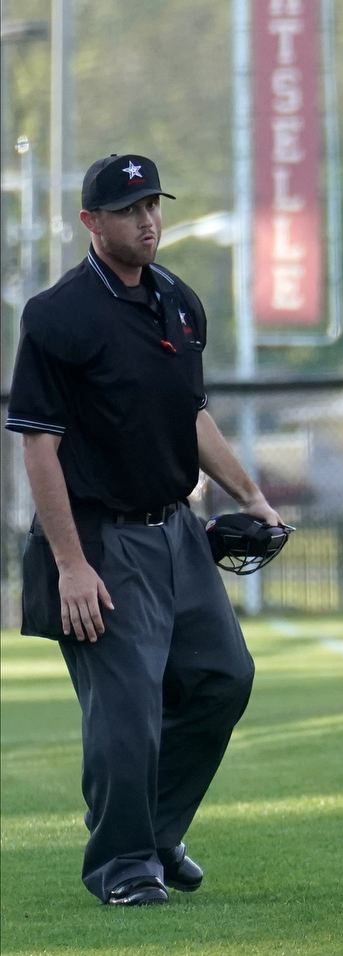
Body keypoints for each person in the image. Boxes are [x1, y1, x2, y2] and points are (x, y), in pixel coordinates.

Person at [6, 154, 282, 906]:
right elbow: (38, 442)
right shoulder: (58, 315)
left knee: (224, 679)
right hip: (100, 540)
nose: (147, 220)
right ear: (91, 222)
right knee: (126, 713)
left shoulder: (178, 301)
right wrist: (70, 565)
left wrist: (251, 495)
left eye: (154, 205)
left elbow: (190, 415)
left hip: (178, 532)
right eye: (128, 210)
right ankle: (122, 867)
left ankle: (155, 834)